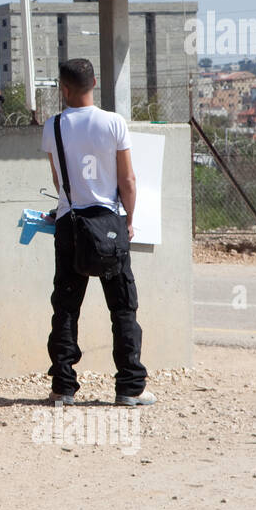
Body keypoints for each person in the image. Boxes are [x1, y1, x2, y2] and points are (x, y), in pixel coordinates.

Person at [41, 58, 154, 407]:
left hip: (71, 224)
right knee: (122, 307)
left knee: (66, 307)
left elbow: (59, 181)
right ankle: (129, 388)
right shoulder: (114, 123)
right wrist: (129, 220)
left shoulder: (53, 126)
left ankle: (63, 387)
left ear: (64, 88)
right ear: (94, 83)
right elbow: (128, 180)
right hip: (108, 224)